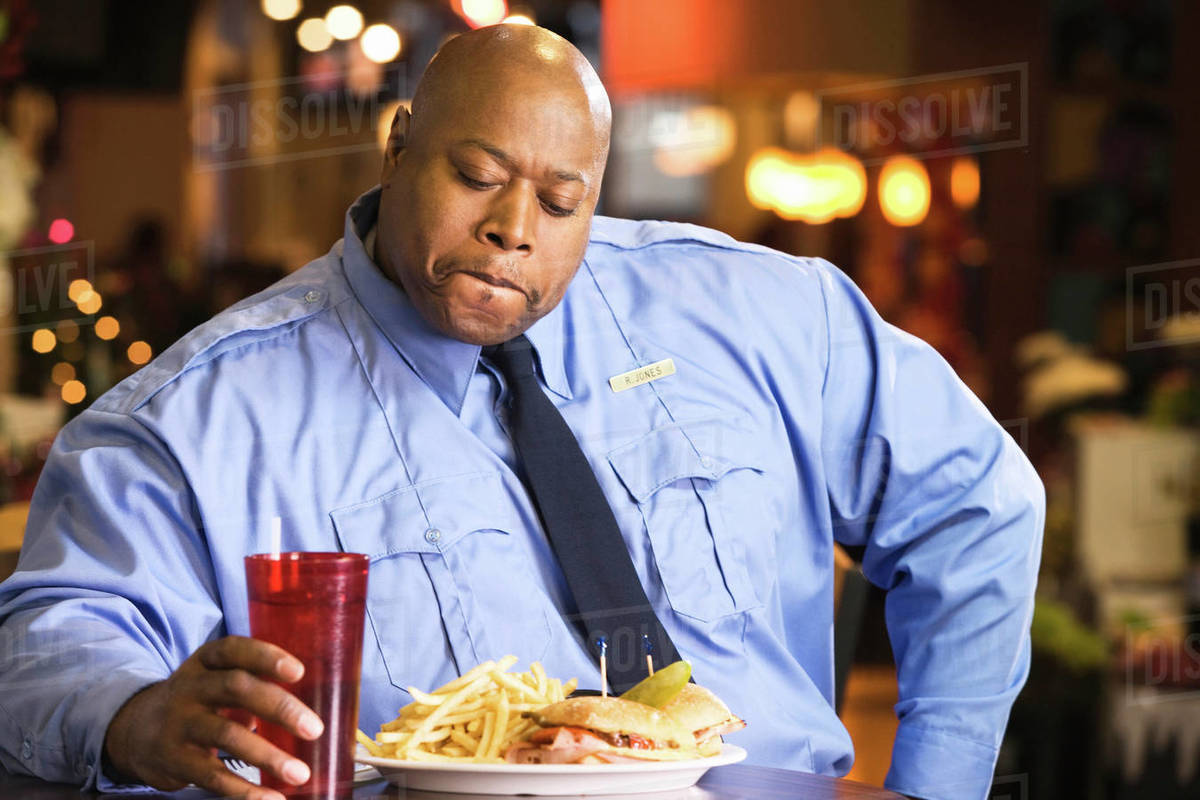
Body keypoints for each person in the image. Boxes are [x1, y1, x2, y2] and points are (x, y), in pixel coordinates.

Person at [0, 24, 1043, 800]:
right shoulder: (195, 421)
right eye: (477, 176)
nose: (512, 231)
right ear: (399, 145)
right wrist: (132, 716)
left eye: (559, 203)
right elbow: (49, 640)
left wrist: (934, 788)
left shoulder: (762, 315)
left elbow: (979, 503)